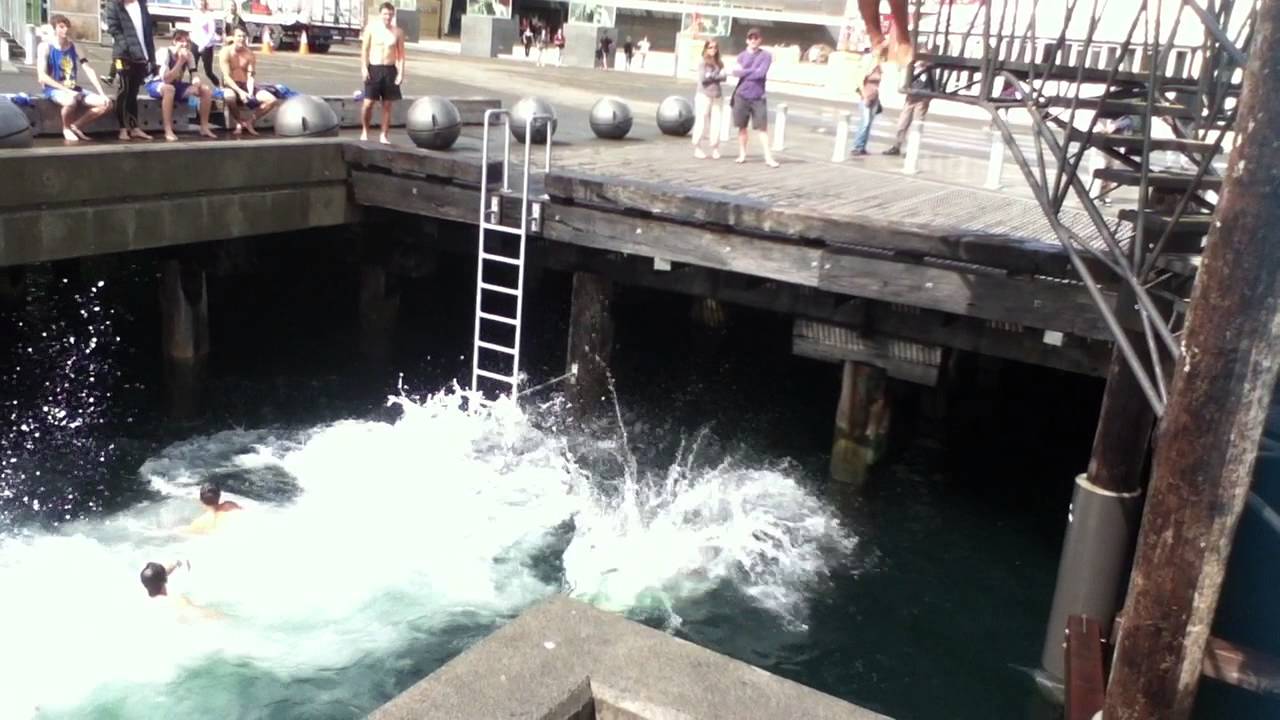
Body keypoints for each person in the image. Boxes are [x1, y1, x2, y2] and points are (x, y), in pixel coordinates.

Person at [35, 15, 114, 142]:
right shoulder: (45, 47)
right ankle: (66, 128)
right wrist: (67, 91)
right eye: (61, 27)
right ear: (54, 28)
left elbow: (88, 69)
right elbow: (42, 77)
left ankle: (76, 126)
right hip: (54, 89)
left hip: (73, 88)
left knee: (106, 104)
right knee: (70, 101)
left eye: (67, 27)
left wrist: (102, 93)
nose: (65, 30)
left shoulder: (74, 47)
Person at [145, 29, 217, 140]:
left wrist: (196, 83)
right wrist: (180, 62)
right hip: (157, 83)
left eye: (187, 42)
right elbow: (166, 79)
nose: (184, 44)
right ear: (174, 41)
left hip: (176, 84)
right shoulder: (164, 53)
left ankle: (204, 127)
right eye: (181, 41)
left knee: (205, 90)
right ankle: (168, 129)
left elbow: (194, 73)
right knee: (169, 89)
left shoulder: (189, 55)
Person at [104, 0, 156, 141]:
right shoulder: (114, 5)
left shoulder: (141, 5)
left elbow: (148, 34)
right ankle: (122, 128)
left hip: (141, 56)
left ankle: (134, 127)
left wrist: (152, 58)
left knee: (133, 92)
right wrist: (127, 47)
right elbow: (114, 29)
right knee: (124, 90)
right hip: (122, 55)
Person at [219, 26, 283, 135]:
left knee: (271, 100)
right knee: (229, 97)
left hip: (245, 84)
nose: (242, 39)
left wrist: (249, 92)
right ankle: (239, 122)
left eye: (244, 36)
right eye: (239, 36)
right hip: (231, 85)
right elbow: (226, 77)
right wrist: (240, 92)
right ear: (233, 38)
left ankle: (250, 121)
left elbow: (250, 76)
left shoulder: (249, 54)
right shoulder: (226, 52)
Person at [730, 28, 778, 167]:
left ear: (760, 40)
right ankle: (742, 154)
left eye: (756, 38)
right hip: (741, 95)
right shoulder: (741, 56)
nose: (753, 40)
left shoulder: (766, 56)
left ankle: (768, 157)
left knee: (762, 128)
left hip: (758, 96)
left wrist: (744, 72)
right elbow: (735, 72)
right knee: (742, 127)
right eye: (751, 38)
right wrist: (750, 71)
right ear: (747, 40)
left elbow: (761, 74)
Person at [360, 2, 406, 144]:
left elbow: (401, 55)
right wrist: (364, 68)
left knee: (387, 105)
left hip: (390, 69)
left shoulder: (397, 32)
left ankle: (384, 135)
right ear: (381, 14)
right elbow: (365, 50)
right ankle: (365, 131)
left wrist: (400, 73)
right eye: (386, 14)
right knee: (368, 103)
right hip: (374, 68)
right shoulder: (371, 29)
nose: (388, 17)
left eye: (391, 14)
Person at [140, 561, 223, 619]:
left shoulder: (147, 602)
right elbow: (198, 614)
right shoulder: (175, 601)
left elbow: (161, 574)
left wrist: (176, 563)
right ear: (165, 580)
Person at [883, 63, 933, 156]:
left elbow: (934, 86)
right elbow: (904, 82)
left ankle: (911, 149)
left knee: (916, 126)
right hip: (910, 99)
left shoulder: (930, 71)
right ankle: (897, 146)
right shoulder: (912, 68)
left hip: (922, 100)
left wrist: (927, 98)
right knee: (902, 123)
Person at [691, 39, 725, 160]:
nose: (713, 50)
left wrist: (712, 75)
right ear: (705, 48)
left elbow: (724, 77)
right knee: (701, 121)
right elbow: (703, 79)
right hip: (703, 94)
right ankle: (697, 147)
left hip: (717, 95)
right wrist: (717, 76)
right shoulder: (702, 62)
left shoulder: (719, 62)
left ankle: (715, 147)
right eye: (710, 47)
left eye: (715, 47)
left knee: (717, 121)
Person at [850, 44, 884, 156]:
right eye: (879, 49)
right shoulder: (868, 62)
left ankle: (862, 147)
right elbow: (858, 78)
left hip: (874, 96)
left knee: (869, 123)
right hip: (866, 95)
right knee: (864, 122)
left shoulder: (879, 63)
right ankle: (857, 146)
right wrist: (864, 95)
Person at [189, 0, 220, 87]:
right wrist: (192, 39)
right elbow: (193, 29)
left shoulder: (209, 15)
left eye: (202, 1)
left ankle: (219, 87)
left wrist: (203, 44)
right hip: (195, 44)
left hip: (207, 46)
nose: (200, 3)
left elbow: (211, 32)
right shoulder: (194, 14)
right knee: (192, 69)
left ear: (205, 3)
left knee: (208, 72)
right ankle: (192, 91)